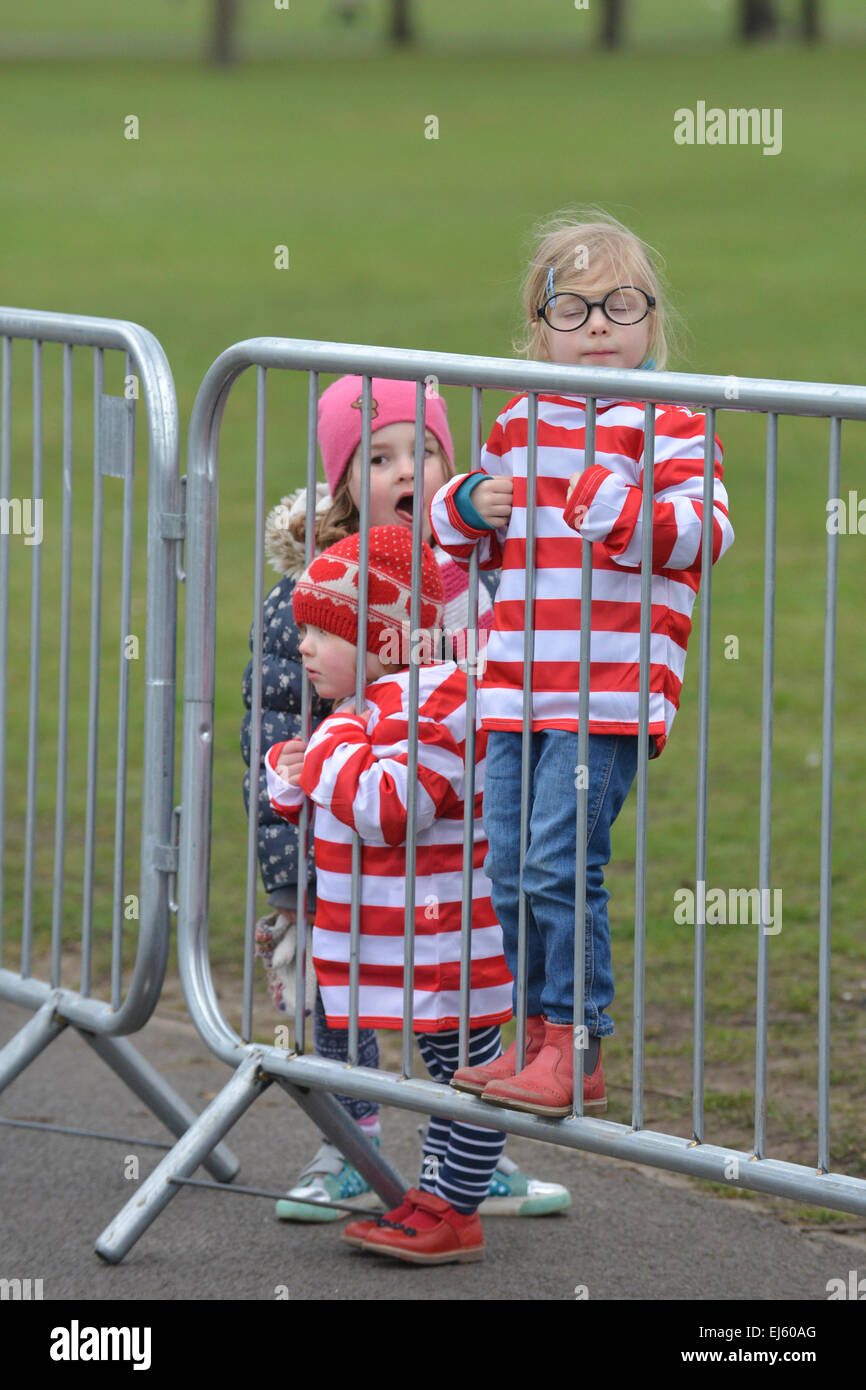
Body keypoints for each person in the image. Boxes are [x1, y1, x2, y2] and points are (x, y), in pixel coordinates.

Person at [241, 375, 570, 1219]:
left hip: (450, 860)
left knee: (448, 1011)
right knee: (342, 1013)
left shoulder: (474, 585)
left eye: (422, 452)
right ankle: (349, 1151)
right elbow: (276, 716)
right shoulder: (311, 591)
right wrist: (289, 871)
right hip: (336, 861)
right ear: (344, 478)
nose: (403, 472)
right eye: (377, 456)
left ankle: (464, 1161)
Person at [430, 210, 735, 1116]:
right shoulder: (519, 418)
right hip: (517, 682)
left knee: (564, 861)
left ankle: (577, 1040)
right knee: (509, 863)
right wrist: (464, 506)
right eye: (573, 308)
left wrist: (621, 507)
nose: (598, 324)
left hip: (608, 690)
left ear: (651, 325)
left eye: (619, 304)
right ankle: (534, 1032)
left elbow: (704, 532)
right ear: (539, 329)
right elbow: (473, 556)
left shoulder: (670, 422)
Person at [264, 525, 514, 1264]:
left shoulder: (439, 697)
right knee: (447, 1075)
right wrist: (299, 764)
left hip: (444, 943)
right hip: (391, 939)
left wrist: (331, 745)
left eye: (323, 630)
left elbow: (388, 805)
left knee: (469, 1077)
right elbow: (312, 796)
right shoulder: (374, 702)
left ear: (384, 637)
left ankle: (454, 1212)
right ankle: (432, 1198)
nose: (302, 646)